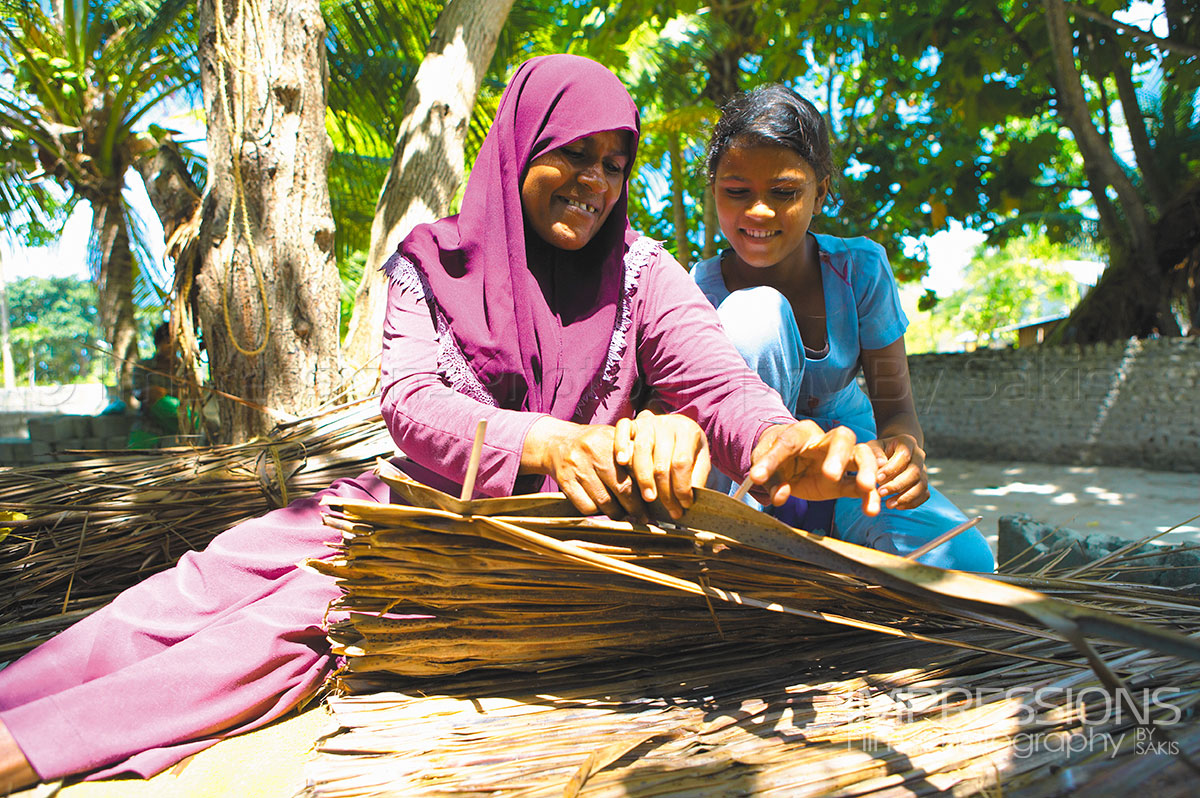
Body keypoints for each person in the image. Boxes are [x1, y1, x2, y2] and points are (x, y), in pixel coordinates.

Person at [0, 56, 882, 791]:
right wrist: (546, 439)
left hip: (504, 544)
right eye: (574, 154)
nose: (596, 183)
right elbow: (413, 402)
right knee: (209, 578)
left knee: (282, 623)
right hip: (397, 502)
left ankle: (27, 750)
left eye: (616, 165)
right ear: (520, 145)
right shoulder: (433, 261)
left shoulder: (644, 275)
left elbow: (723, 388)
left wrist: (792, 447)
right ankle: (14, 697)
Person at [693, 84, 995, 572]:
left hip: (848, 461)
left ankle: (836, 531)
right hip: (744, 479)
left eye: (784, 192)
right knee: (754, 314)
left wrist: (903, 453)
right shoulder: (694, 293)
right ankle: (737, 547)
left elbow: (896, 410)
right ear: (714, 191)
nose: (759, 210)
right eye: (737, 191)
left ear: (820, 194)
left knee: (965, 562)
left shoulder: (860, 269)